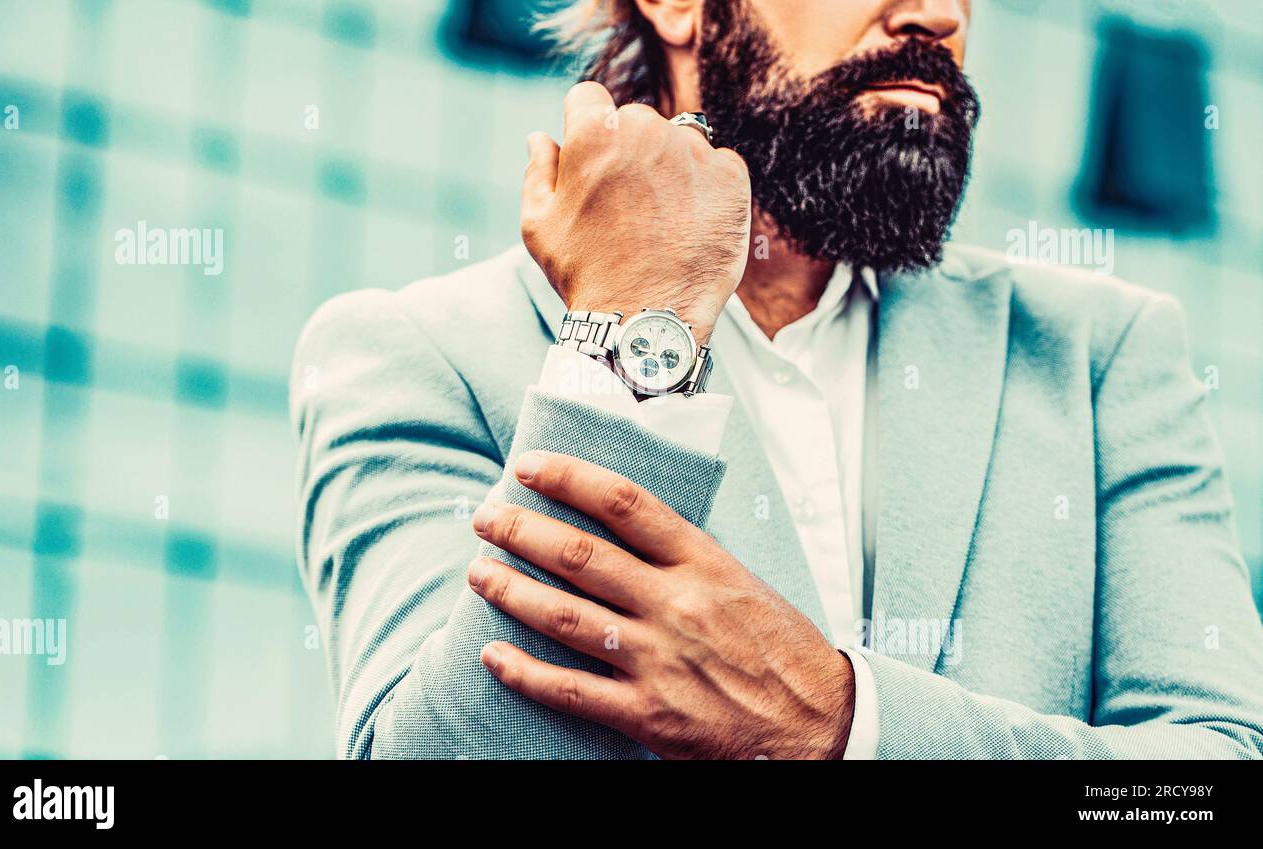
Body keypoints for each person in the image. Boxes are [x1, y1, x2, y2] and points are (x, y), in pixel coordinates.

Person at [290, 0, 1263, 759]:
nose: (939, 16)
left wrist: (847, 729)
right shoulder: (412, 354)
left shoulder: (1101, 353)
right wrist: (634, 332)